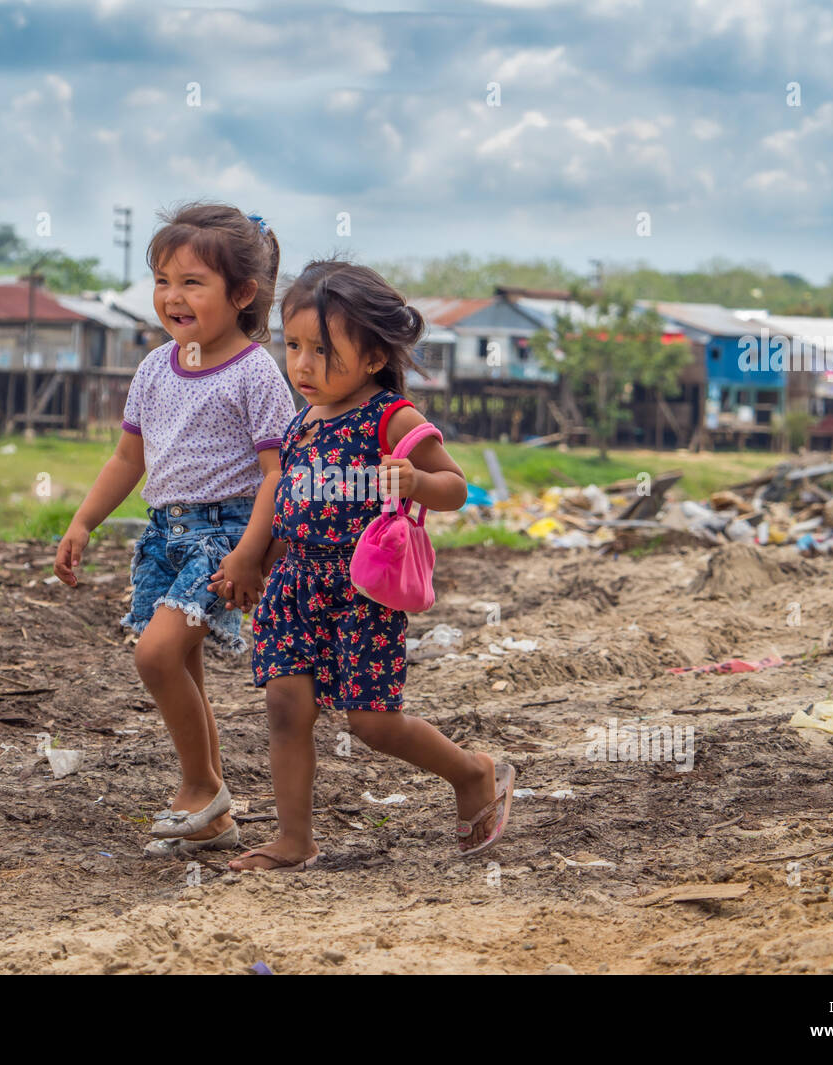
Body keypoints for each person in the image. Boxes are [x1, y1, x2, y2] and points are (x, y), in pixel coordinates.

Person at [213, 260, 514, 872]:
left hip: (362, 592)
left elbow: (457, 488)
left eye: (322, 351)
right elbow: (288, 506)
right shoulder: (299, 426)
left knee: (374, 723)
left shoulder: (390, 418)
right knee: (286, 707)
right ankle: (294, 840)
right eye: (293, 346)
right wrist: (251, 560)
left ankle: (472, 772)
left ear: (374, 357)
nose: (302, 365)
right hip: (295, 587)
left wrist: (416, 481)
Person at [54, 203, 294, 859]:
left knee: (156, 656)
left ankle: (199, 786)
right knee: (181, 665)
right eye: (163, 280)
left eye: (192, 282)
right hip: (164, 536)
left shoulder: (255, 373)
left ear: (241, 294)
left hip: (225, 537)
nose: (172, 296)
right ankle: (213, 816)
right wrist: (83, 520)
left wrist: (253, 556)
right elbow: (127, 457)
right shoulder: (155, 367)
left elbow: (278, 474)